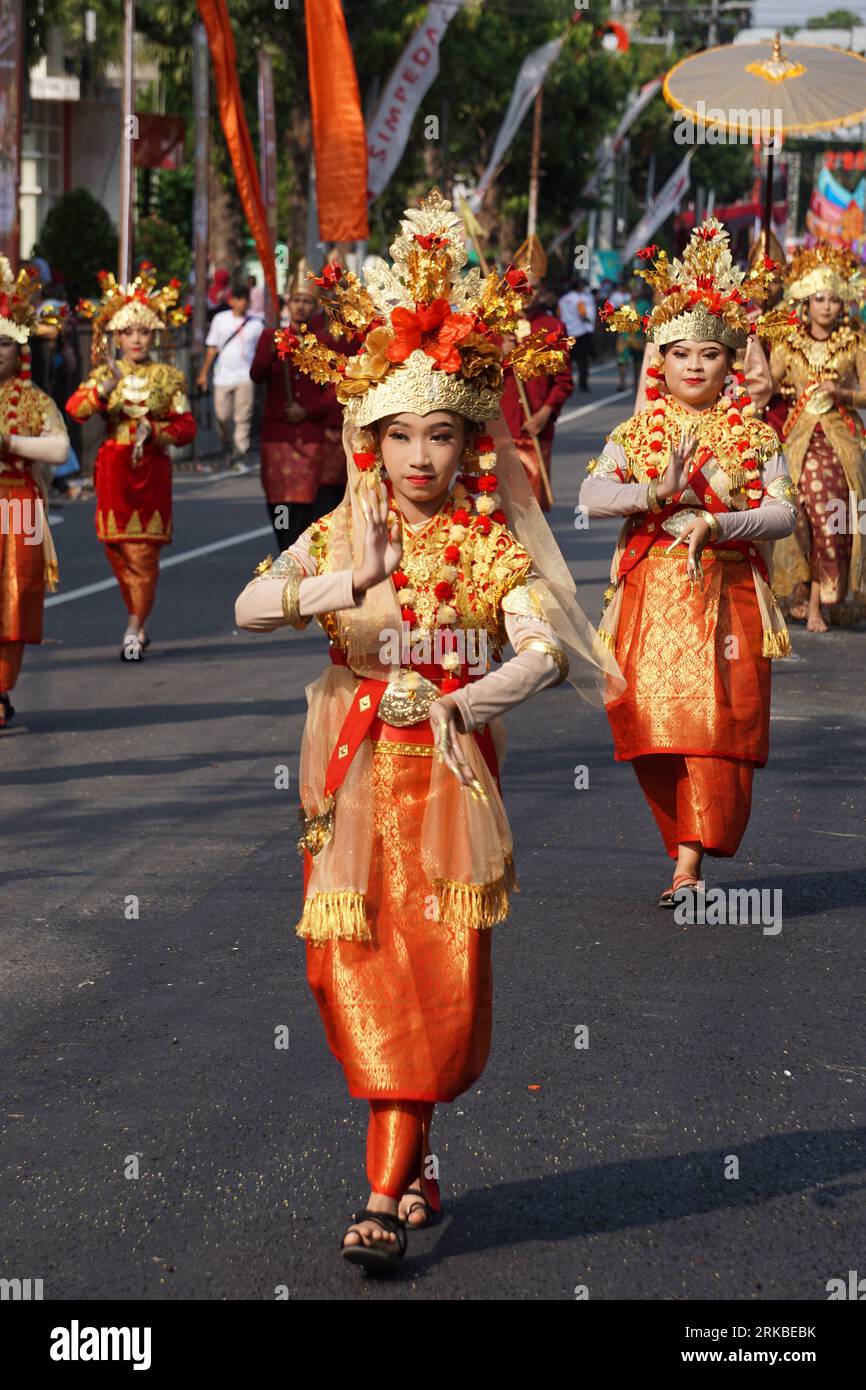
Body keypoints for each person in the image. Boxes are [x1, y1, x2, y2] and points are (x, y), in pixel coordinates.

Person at [234, 189, 620, 1270]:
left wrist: (462, 700)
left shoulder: (488, 541)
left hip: (445, 771)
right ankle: (416, 1159)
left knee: (430, 963)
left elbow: (543, 649)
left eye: (438, 434)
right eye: (396, 433)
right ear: (369, 439)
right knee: (342, 968)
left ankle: (378, 1189)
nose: (415, 456)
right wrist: (336, 585)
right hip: (346, 767)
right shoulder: (342, 530)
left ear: (466, 442)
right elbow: (246, 607)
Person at [581, 218, 797, 907]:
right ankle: (679, 838)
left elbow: (784, 513)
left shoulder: (755, 434)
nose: (696, 365)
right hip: (650, 594)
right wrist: (654, 491)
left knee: (711, 730)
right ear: (660, 363)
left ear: (732, 363)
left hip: (728, 593)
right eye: (682, 353)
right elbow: (590, 495)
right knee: (651, 728)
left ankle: (689, 862)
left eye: (710, 353)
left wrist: (719, 520)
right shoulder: (634, 432)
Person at [66, 265, 195, 660]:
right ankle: (136, 613)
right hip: (113, 469)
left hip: (151, 470)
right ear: (117, 336)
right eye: (128, 332)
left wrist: (154, 433)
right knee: (117, 550)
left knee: (143, 554)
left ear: (154, 335)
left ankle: (134, 626)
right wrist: (105, 388)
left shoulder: (169, 377)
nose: (137, 339)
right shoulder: (105, 373)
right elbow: (76, 410)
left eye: (143, 332)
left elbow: (187, 425)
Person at [752, 243, 866, 631]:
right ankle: (795, 592)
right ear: (807, 301)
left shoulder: (856, 342)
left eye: (835, 299)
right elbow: (766, 384)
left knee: (830, 519)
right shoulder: (788, 341)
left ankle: (819, 602)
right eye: (820, 298)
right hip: (797, 438)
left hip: (840, 441)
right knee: (791, 519)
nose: (828, 307)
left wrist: (843, 393)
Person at [0, 259, 69, 728]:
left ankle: (1, 688)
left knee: (15, 597)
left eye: (4, 341)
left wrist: (10, 444)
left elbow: (60, 448)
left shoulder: (34, 400)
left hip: (17, 506)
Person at [249, 266, 344, 553]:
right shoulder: (271, 337)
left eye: (307, 301)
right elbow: (257, 374)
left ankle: (302, 554)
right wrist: (275, 350)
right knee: (280, 503)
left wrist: (308, 410)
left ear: (314, 307)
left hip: (311, 437)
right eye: (296, 300)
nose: (301, 306)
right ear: (287, 304)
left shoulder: (324, 343)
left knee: (308, 505)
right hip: (278, 437)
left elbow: (336, 387)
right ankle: (284, 549)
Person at [499, 275, 573, 511]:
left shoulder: (553, 328)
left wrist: (545, 414)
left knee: (533, 506)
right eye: (519, 286)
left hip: (536, 431)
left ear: (542, 290)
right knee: (498, 503)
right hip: (500, 430)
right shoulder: (494, 327)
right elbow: (476, 375)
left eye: (534, 287)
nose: (526, 292)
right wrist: (500, 355)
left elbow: (563, 381)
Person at [197, 282, 263, 471]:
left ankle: (239, 453)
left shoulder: (256, 324)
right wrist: (203, 373)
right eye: (239, 299)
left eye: (245, 300)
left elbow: (261, 351)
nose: (242, 303)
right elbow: (212, 348)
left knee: (243, 416)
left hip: (246, 377)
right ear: (232, 301)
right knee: (222, 415)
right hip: (222, 377)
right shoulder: (220, 319)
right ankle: (228, 445)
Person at [558, 277, 595, 391]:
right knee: (582, 360)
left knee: (567, 360)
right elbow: (582, 314)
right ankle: (583, 384)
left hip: (566, 332)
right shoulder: (579, 300)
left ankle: (566, 384)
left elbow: (558, 314)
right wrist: (589, 321)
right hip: (579, 332)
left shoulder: (562, 299)